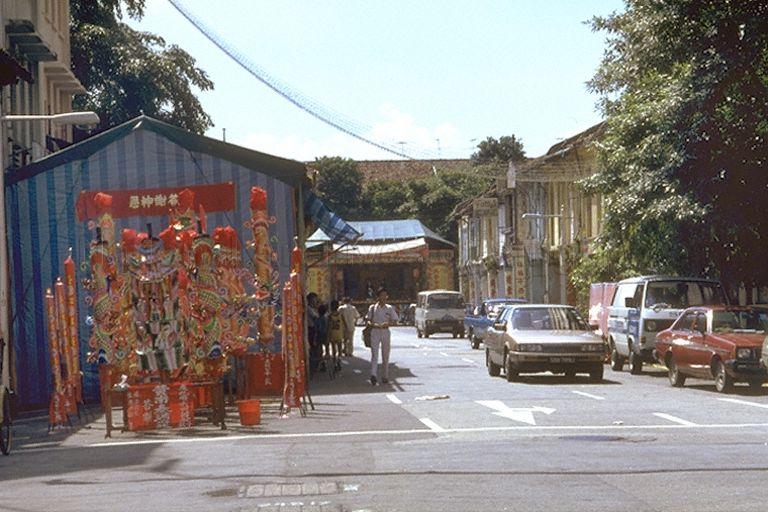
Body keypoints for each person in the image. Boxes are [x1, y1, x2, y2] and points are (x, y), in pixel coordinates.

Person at [365, 287, 398, 385]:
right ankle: (373, 375)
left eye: (385, 295)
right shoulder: (372, 308)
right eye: (381, 295)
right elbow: (368, 319)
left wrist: (387, 324)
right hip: (375, 331)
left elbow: (395, 321)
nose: (383, 297)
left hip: (385, 332)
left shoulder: (389, 308)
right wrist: (372, 324)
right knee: (374, 354)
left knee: (385, 355)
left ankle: (385, 375)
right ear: (378, 297)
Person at [328, 300, 344, 370]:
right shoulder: (340, 315)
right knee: (340, 349)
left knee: (334, 349)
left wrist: (327, 335)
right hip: (339, 333)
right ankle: (339, 361)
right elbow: (344, 324)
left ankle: (334, 363)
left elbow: (328, 326)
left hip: (332, 333)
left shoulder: (330, 315)